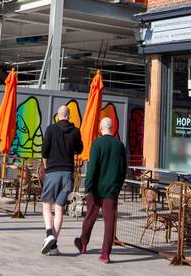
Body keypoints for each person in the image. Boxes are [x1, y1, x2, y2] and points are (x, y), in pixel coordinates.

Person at [74, 117, 127, 263]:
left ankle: (83, 243)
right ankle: (105, 253)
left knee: (90, 216)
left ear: (100, 127)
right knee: (109, 221)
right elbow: (123, 169)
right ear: (113, 127)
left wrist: (88, 186)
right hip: (111, 189)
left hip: (96, 188)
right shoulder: (119, 145)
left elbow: (92, 167)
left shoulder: (96, 144)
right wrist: (118, 186)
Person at [39, 104, 83, 255]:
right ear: (69, 116)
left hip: (53, 172)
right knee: (59, 209)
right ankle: (53, 247)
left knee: (46, 205)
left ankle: (49, 234)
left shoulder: (51, 129)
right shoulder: (75, 131)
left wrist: (46, 165)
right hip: (68, 174)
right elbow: (80, 149)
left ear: (57, 116)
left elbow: (44, 151)